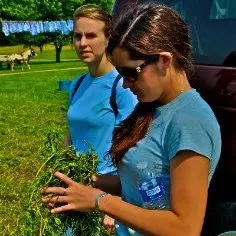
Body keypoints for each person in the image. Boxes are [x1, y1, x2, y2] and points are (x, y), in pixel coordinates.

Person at [42, 3, 221, 235]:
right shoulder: (154, 107)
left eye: (129, 73)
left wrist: (101, 201)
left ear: (164, 61)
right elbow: (142, 182)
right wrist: (81, 186)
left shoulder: (190, 121)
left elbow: (185, 227)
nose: (125, 83)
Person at [65, 4, 137, 233]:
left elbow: (133, 149)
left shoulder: (122, 86)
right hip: (75, 189)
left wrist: (114, 204)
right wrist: (59, 175)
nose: (82, 43)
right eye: (77, 36)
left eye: (91, 35)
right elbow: (72, 134)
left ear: (108, 39)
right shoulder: (77, 85)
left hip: (103, 194)